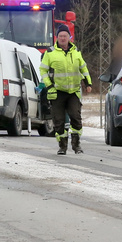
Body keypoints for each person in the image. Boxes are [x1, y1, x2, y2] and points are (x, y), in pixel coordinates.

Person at [38, 24, 92, 155]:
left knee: (76, 117)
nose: (63, 38)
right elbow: (43, 70)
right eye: (60, 36)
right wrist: (49, 85)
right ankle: (62, 146)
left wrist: (88, 83)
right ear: (57, 37)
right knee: (59, 121)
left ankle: (76, 145)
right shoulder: (50, 53)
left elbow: (83, 68)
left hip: (73, 91)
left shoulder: (76, 52)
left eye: (65, 36)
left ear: (69, 37)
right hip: (57, 91)